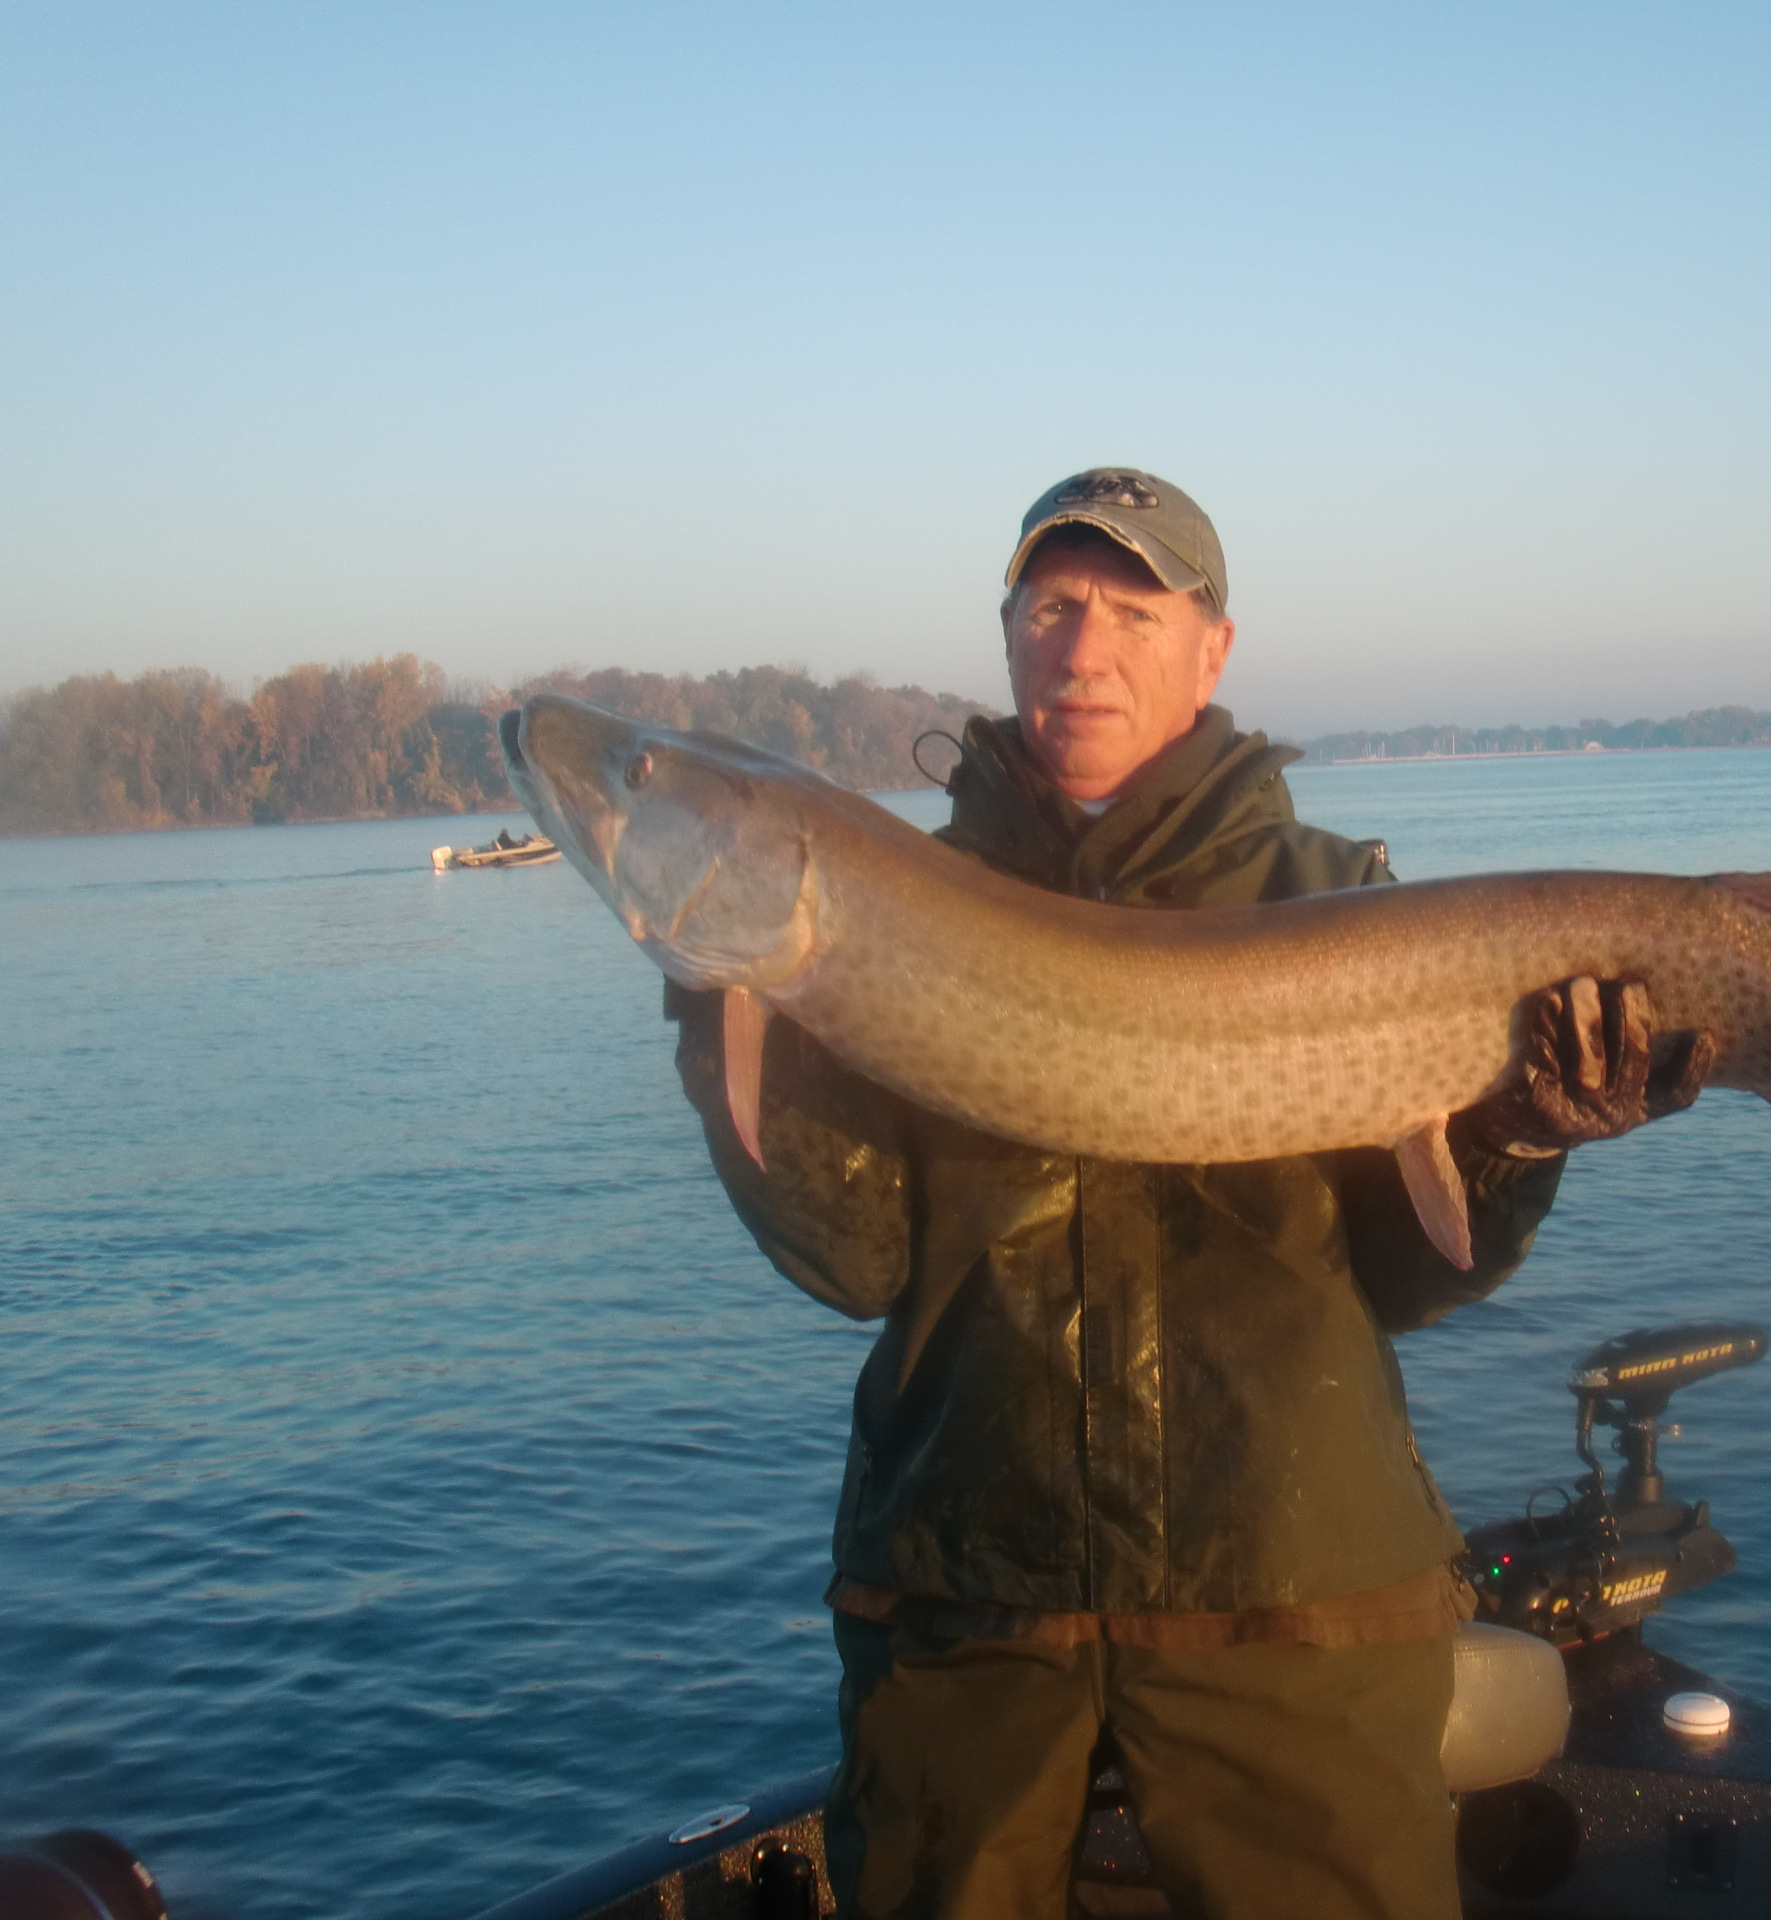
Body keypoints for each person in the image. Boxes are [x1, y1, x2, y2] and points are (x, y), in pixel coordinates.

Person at [665, 469, 1703, 1919]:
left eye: (1133, 612)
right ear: (1007, 633)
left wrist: (1519, 1137)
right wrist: (719, 1000)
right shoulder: (878, 902)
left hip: (1298, 1591)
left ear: (1213, 650)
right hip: (967, 1600)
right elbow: (855, 1260)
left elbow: (1412, 1278)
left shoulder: (1341, 900)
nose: (1083, 650)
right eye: (1051, 607)